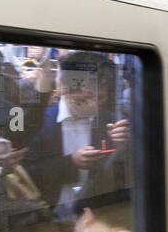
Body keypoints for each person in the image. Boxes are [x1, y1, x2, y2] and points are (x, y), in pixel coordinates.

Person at [22, 51, 129, 221]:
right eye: (88, 98)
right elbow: (27, 175)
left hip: (99, 219)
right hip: (48, 222)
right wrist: (70, 163)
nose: (96, 105)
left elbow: (124, 179)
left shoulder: (114, 122)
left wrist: (122, 148)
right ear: (67, 89)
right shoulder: (39, 122)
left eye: (101, 98)